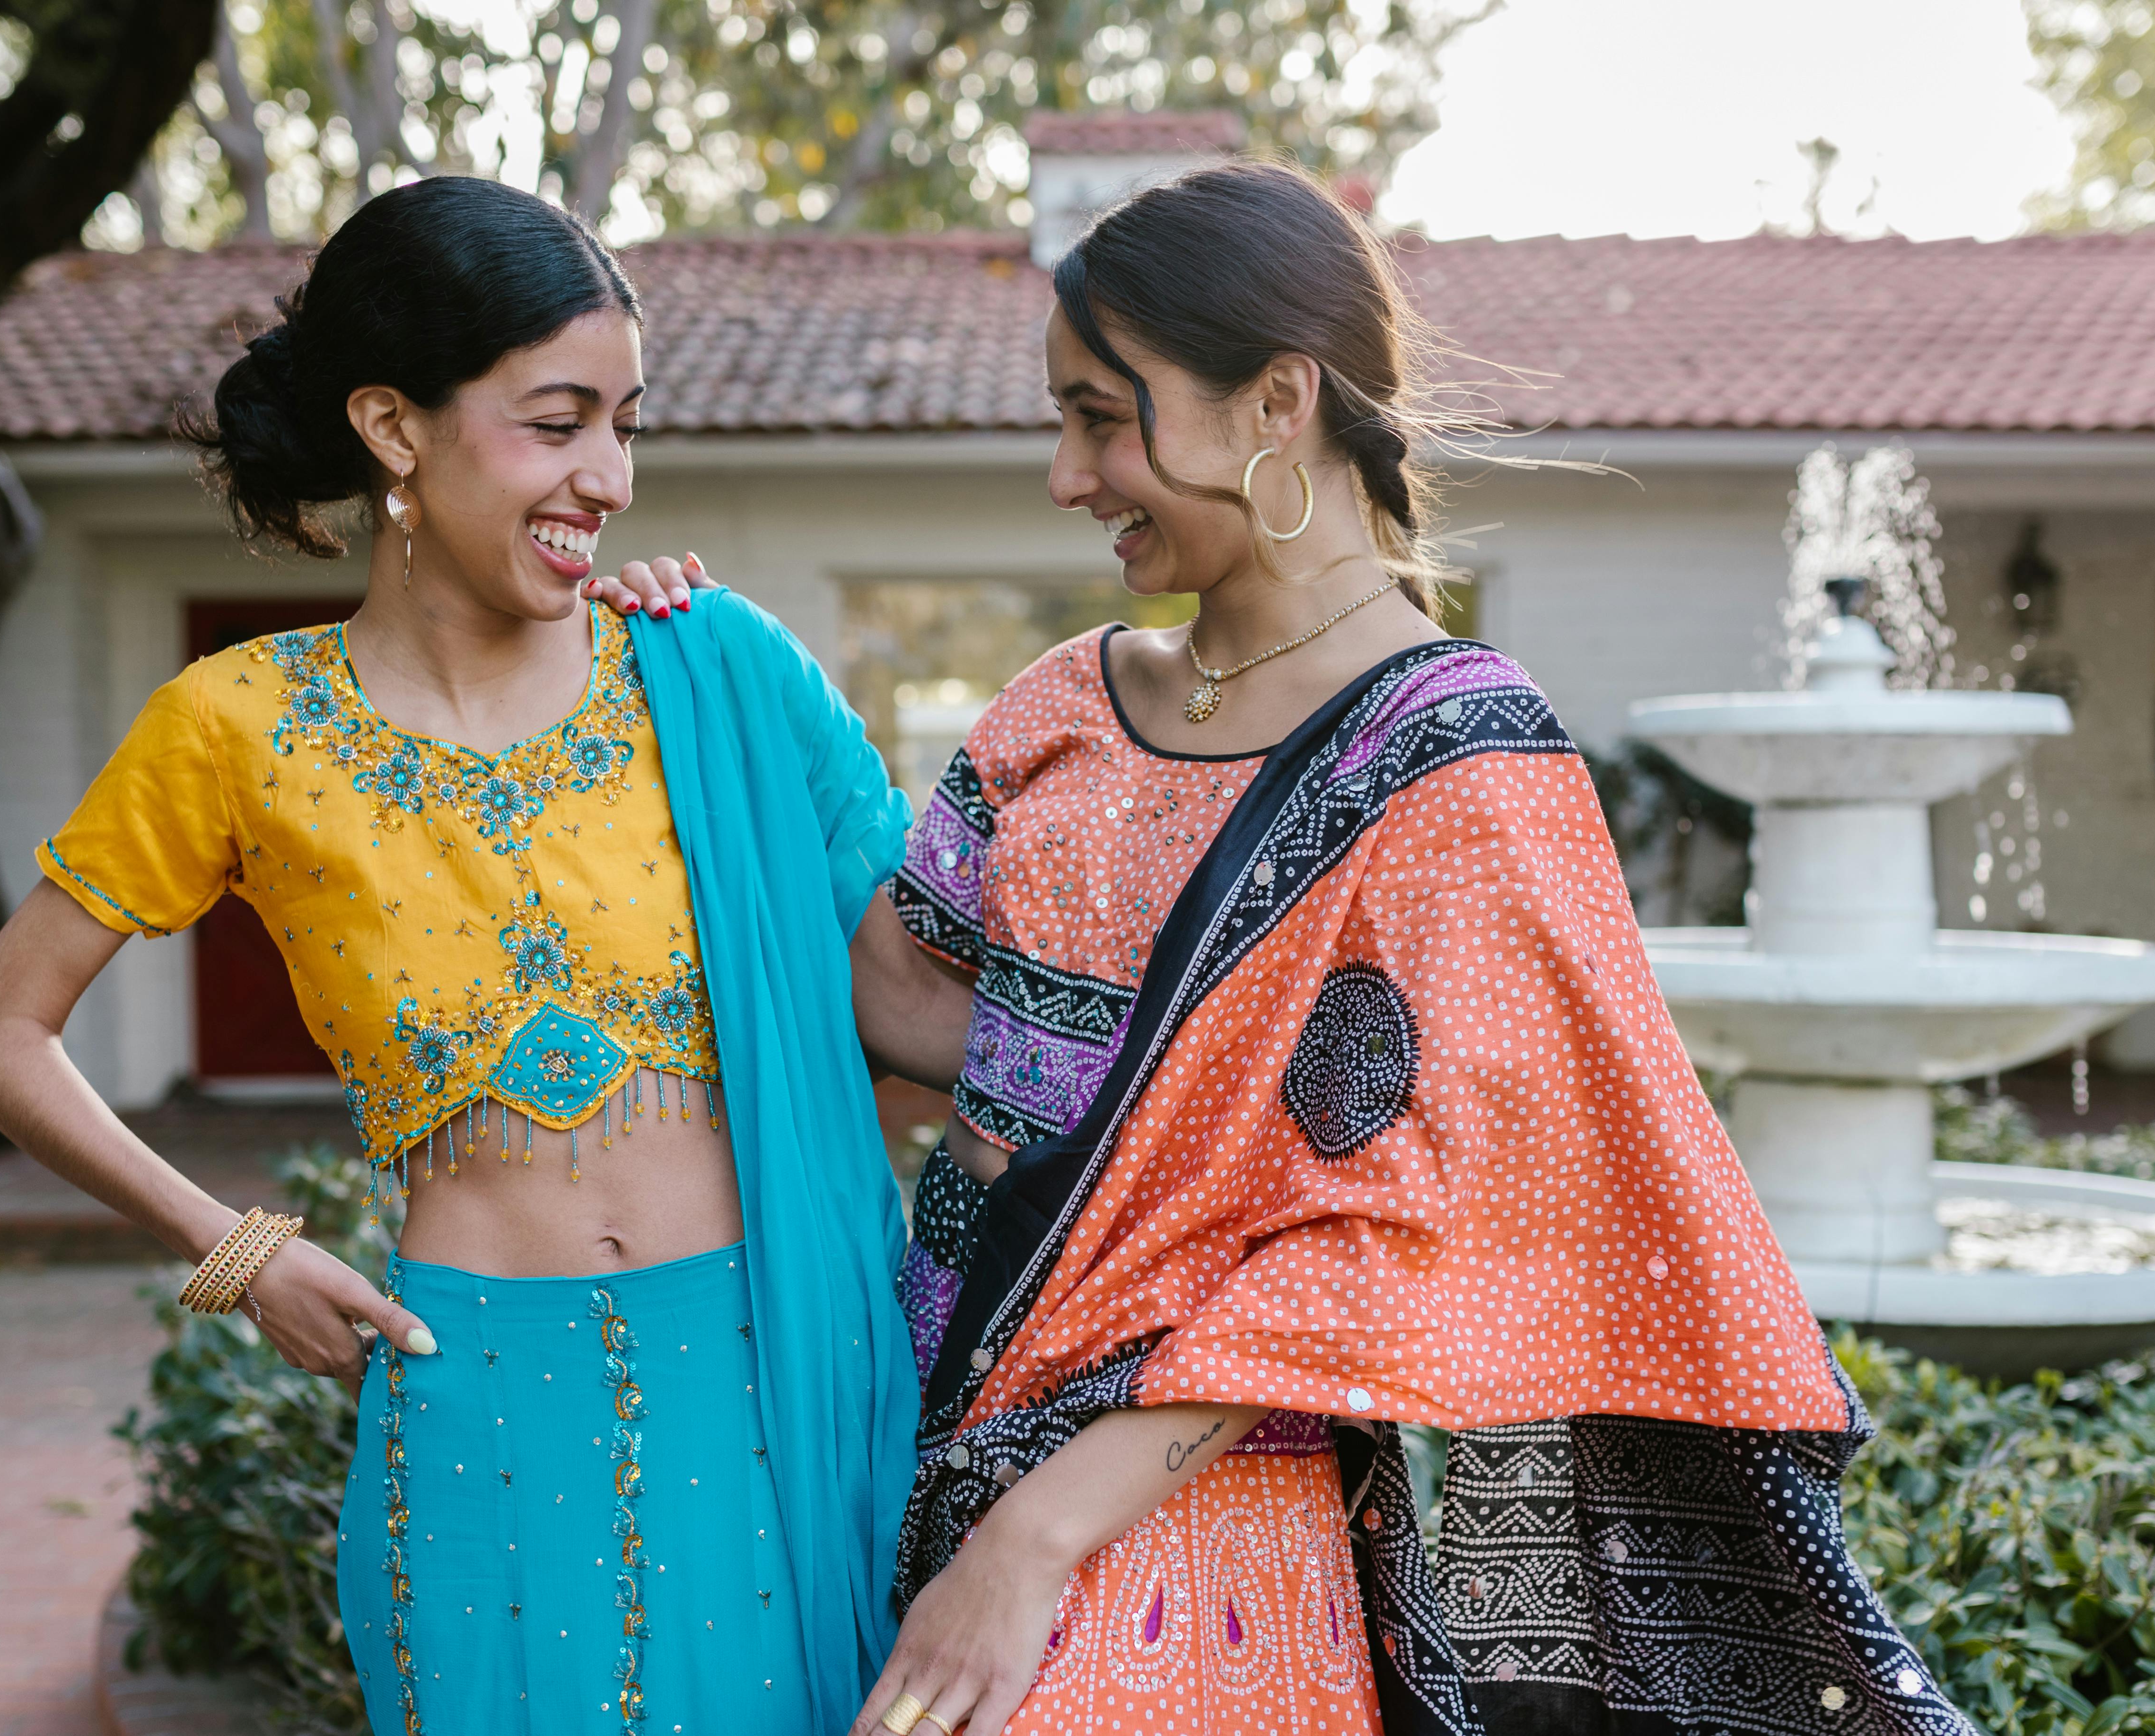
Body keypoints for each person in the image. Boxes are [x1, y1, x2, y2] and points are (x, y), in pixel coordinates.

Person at [844, 160, 1973, 1736]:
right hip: (919, 1422)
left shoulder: (1459, 770)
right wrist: (668, 678)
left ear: (1274, 405)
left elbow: (1394, 1228)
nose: (1064, 473)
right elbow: (896, 983)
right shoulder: (1059, 705)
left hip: (1185, 1520)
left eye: (1103, 417)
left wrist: (1037, 1534)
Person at [0, 176, 936, 1736]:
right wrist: (236, 1250)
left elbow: (927, 1000)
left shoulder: (713, 672)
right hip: (477, 1404)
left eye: (625, 421)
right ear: (394, 429)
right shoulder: (237, 728)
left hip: (764, 1378)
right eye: (557, 422)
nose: (606, 475)